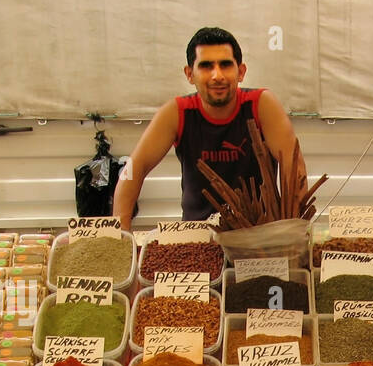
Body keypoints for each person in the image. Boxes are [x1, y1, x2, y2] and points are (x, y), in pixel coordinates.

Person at [113, 27, 305, 228]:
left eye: (225, 65)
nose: (217, 75)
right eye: (206, 66)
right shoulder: (176, 113)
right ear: (189, 74)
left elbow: (294, 169)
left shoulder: (262, 105)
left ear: (241, 72)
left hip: (259, 236)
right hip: (197, 237)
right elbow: (133, 169)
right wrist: (121, 239)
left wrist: (293, 233)